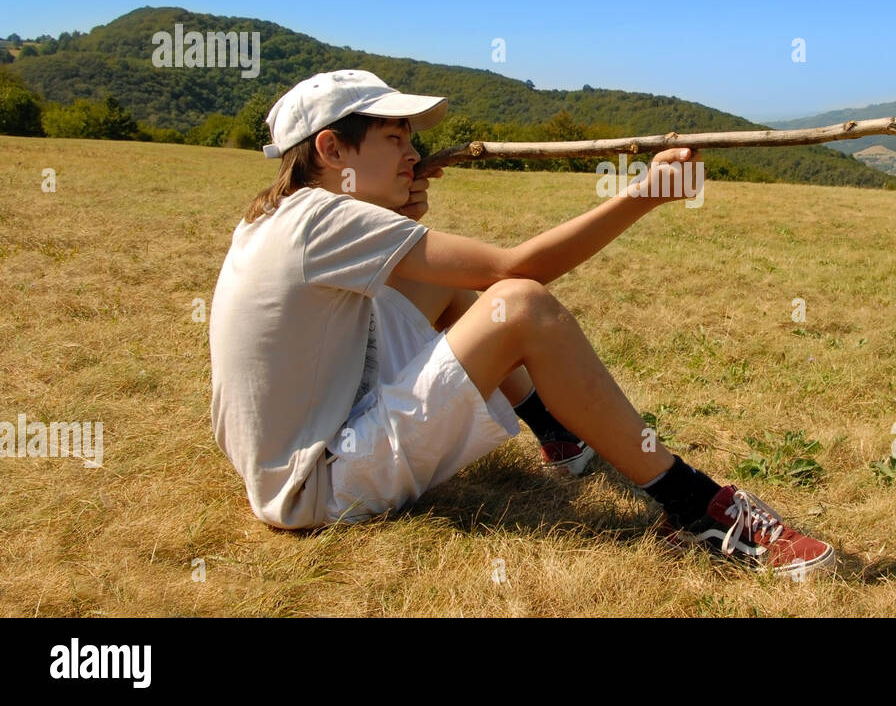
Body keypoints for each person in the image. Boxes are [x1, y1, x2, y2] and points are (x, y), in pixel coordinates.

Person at [209, 69, 835, 578]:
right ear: (331, 148)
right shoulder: (326, 218)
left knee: (446, 284)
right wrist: (646, 192)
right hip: (319, 486)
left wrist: (394, 209)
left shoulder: (279, 216)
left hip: (288, 462)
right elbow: (517, 268)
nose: (415, 153)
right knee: (522, 303)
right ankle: (695, 508)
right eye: (395, 138)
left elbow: (425, 282)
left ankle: (558, 436)